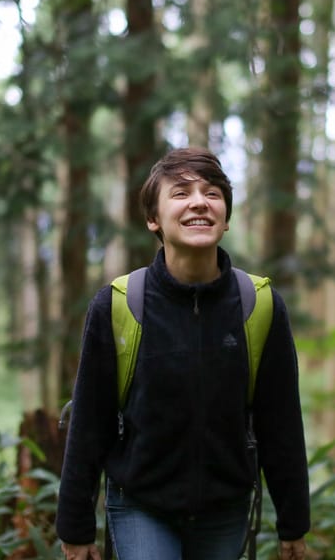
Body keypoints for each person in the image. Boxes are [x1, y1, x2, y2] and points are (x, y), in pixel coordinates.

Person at [57, 147, 310, 560]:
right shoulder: (119, 304)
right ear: (153, 219)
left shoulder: (258, 305)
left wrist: (293, 522)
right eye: (180, 193)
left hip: (225, 509)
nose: (199, 202)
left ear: (225, 217)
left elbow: (280, 423)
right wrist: (75, 526)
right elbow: (90, 421)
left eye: (212, 193)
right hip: (140, 504)